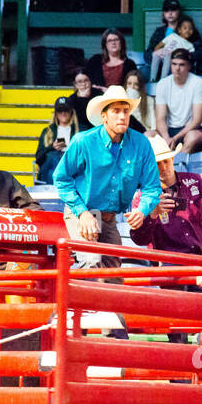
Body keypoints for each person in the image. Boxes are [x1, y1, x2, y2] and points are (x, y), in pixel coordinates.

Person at [52, 86, 161, 268]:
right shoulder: (83, 141)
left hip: (109, 218)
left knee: (113, 269)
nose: (122, 116)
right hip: (82, 212)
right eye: (116, 111)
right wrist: (83, 212)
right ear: (104, 116)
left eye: (126, 111)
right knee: (91, 262)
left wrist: (141, 210)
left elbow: (152, 187)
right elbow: (61, 179)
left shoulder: (142, 144)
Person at [131, 134, 202, 257]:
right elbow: (139, 240)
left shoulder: (197, 182)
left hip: (200, 258)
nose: (163, 167)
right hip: (165, 264)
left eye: (166, 161)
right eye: (157, 164)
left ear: (173, 160)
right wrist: (152, 215)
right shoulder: (141, 197)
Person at [154, 49, 202, 154]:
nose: (177, 68)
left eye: (182, 65)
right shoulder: (162, 84)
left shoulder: (198, 83)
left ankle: (177, 166)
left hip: (191, 129)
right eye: (174, 64)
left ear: (189, 66)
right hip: (170, 129)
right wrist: (166, 138)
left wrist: (176, 138)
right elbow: (160, 119)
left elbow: (197, 120)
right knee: (148, 136)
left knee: (193, 138)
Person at [36, 97, 78, 183]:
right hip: (52, 166)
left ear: (71, 112)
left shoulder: (79, 130)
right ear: (55, 113)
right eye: (60, 111)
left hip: (72, 164)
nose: (63, 113)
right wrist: (52, 147)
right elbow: (38, 158)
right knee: (52, 156)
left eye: (66, 110)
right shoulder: (48, 131)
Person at [145, 0, 185, 75]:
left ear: (178, 12)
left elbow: (199, 51)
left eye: (173, 10)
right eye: (166, 10)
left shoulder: (186, 29)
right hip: (160, 66)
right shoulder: (159, 31)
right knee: (143, 71)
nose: (170, 13)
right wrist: (155, 53)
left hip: (179, 66)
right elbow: (148, 52)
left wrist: (181, 54)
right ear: (163, 13)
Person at [123, 70, 153, 134]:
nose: (132, 87)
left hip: (142, 132)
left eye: (136, 84)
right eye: (129, 83)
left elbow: (152, 124)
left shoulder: (149, 100)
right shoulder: (120, 100)